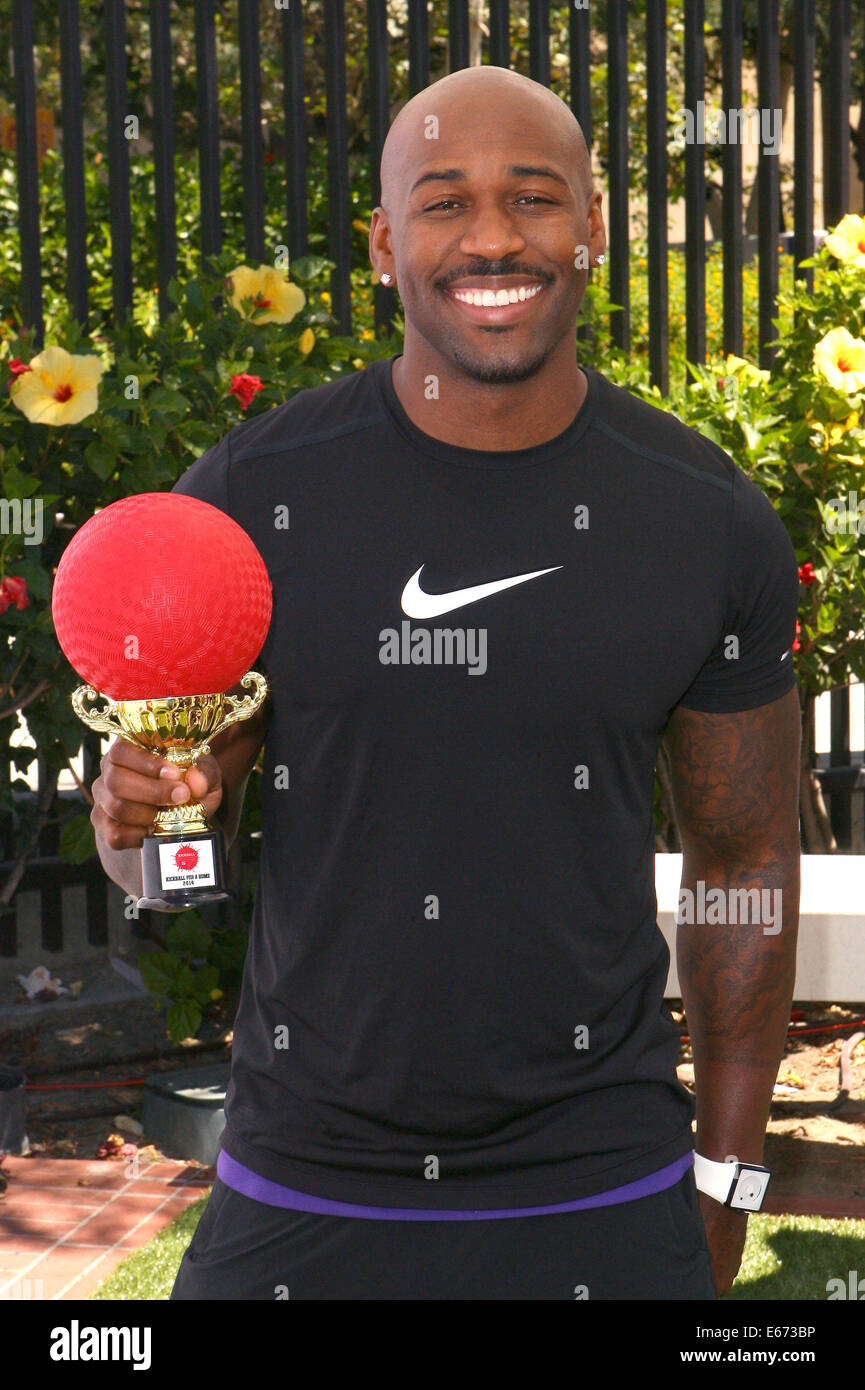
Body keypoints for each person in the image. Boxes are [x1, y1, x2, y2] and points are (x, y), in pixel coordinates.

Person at [91, 65, 801, 1301]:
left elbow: (742, 866)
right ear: (382, 244)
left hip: (599, 1176)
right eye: (442, 202)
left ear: (590, 226)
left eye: (532, 198)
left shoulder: (703, 519)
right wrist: (141, 827)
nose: (491, 238)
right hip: (306, 1173)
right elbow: (177, 864)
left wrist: (728, 1173)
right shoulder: (254, 498)